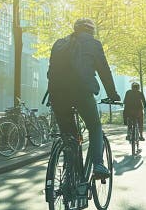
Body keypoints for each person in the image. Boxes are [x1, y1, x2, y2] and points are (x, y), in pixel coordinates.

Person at [47, 18, 120, 178]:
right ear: (91, 31)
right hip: (81, 92)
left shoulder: (60, 43)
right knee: (95, 127)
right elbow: (104, 71)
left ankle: (69, 173)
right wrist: (113, 94)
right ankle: (98, 165)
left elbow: (50, 70)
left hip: (57, 94)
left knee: (69, 137)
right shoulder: (94, 44)